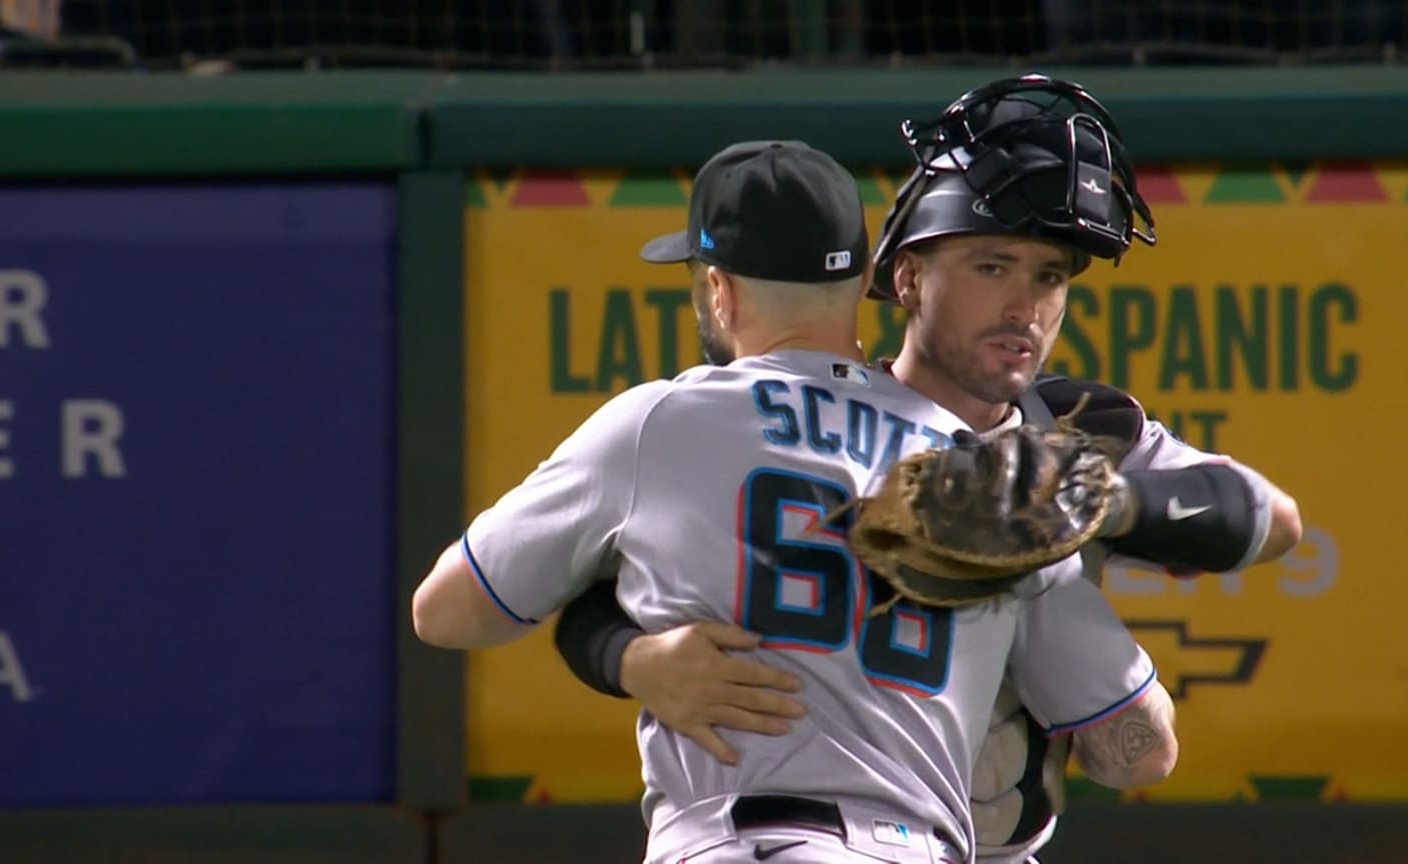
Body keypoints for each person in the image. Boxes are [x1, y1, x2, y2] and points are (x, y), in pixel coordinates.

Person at [551, 75, 1303, 863]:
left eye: (1050, 276)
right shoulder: (796, 422)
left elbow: (1270, 518)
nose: (1025, 306)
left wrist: (1096, 507)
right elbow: (592, 590)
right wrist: (629, 659)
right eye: (991, 267)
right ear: (906, 277)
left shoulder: (1080, 425)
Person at [413, 137, 1177, 864]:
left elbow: (446, 612)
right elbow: (1140, 753)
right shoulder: (983, 468)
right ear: (863, 284)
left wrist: (625, 650)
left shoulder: (660, 424)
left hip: (735, 840)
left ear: (719, 289)